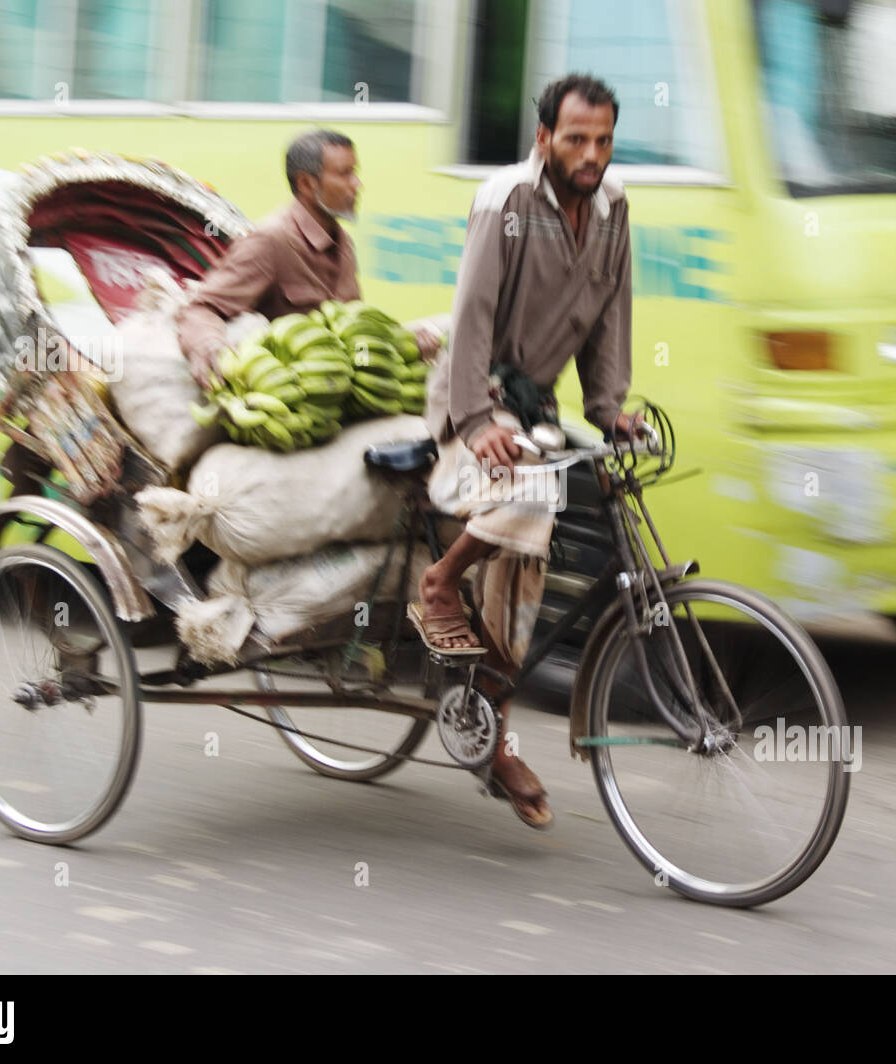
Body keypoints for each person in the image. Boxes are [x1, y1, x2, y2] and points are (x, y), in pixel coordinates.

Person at [412, 74, 645, 829]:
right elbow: (472, 313)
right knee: (531, 492)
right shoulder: (505, 202)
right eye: (575, 138)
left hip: (535, 409)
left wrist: (610, 412)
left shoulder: (613, 212)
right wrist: (477, 419)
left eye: (603, 140)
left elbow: (612, 321)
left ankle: (493, 737)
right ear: (544, 138)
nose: (591, 154)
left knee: (529, 575)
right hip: (471, 399)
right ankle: (441, 582)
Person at [176, 128, 441, 388]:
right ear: (306, 183)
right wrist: (209, 345)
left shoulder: (343, 242)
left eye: (355, 173)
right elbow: (202, 307)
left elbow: (352, 325)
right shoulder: (270, 240)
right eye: (344, 174)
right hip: (293, 392)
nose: (357, 185)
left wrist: (402, 341)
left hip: (340, 386)